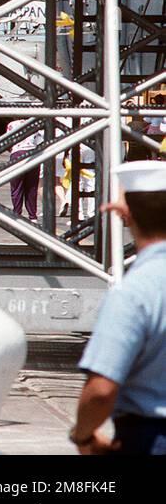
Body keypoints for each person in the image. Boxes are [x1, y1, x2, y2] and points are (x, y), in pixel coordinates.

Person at [71, 162, 166, 455]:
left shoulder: (135, 292)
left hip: (151, 438)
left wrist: (83, 436)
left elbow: (101, 390)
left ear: (124, 214)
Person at [6, 118, 44, 220]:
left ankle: (17, 213)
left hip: (17, 154)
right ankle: (32, 215)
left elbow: (7, 142)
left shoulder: (12, 124)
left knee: (16, 187)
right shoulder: (34, 123)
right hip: (32, 155)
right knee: (31, 187)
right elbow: (40, 141)